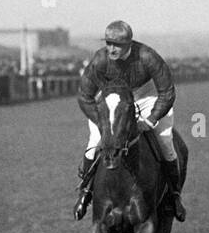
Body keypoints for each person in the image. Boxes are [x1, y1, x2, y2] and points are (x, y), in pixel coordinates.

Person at [73, 20, 185, 222]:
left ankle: (174, 195)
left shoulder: (147, 56)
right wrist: (104, 123)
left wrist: (151, 120)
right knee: (93, 143)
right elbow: (84, 96)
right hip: (113, 101)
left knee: (166, 141)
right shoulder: (100, 59)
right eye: (108, 43)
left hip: (147, 96)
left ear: (129, 45)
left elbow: (167, 92)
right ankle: (85, 192)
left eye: (117, 45)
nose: (111, 49)